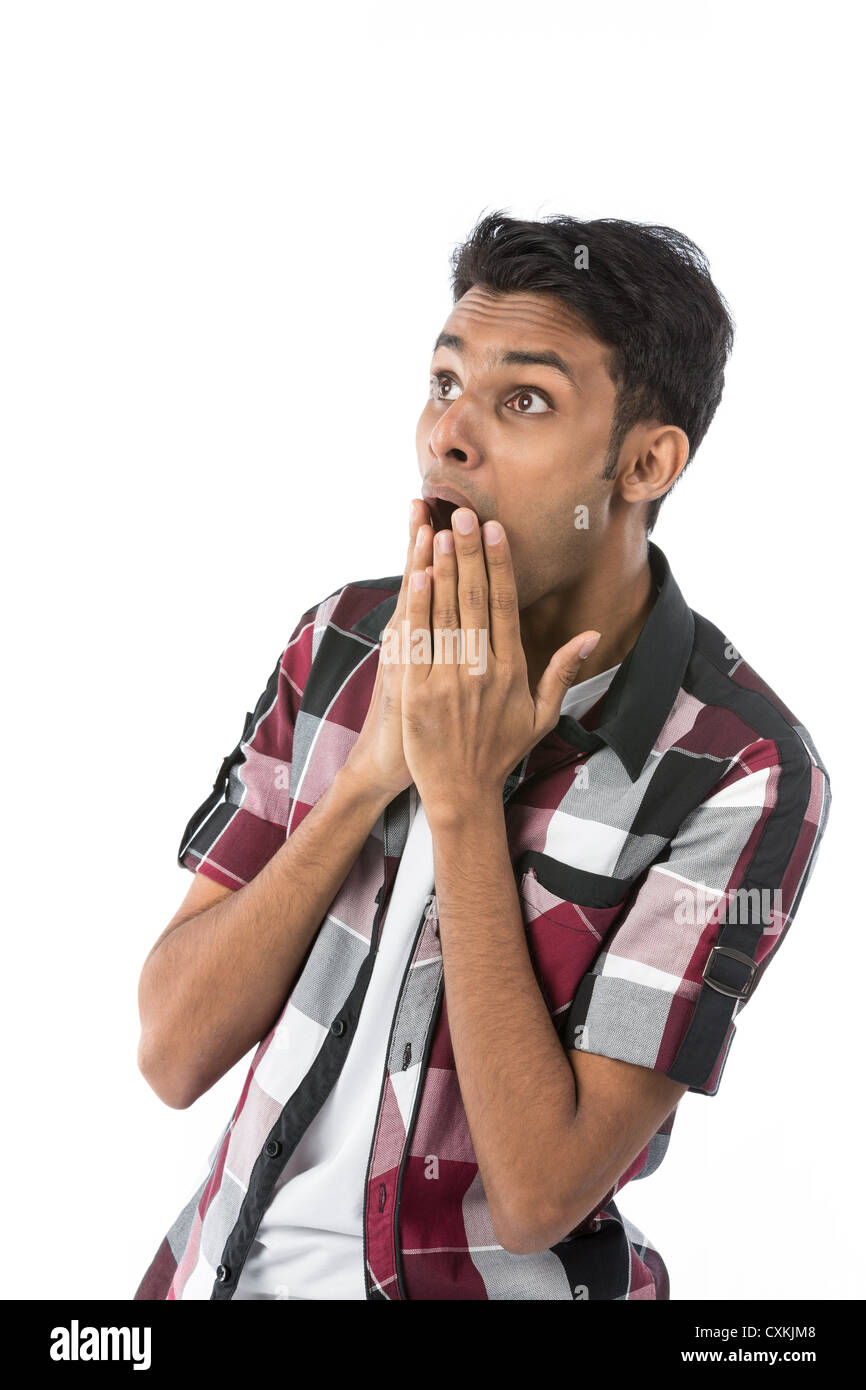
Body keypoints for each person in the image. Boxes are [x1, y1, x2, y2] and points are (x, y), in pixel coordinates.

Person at [134, 212, 831, 1301]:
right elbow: (172, 1051)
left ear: (645, 462)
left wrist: (460, 803)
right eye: (443, 381)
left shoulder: (737, 766)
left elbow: (540, 1195)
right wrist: (373, 772)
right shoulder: (341, 641)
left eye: (522, 401)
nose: (446, 436)